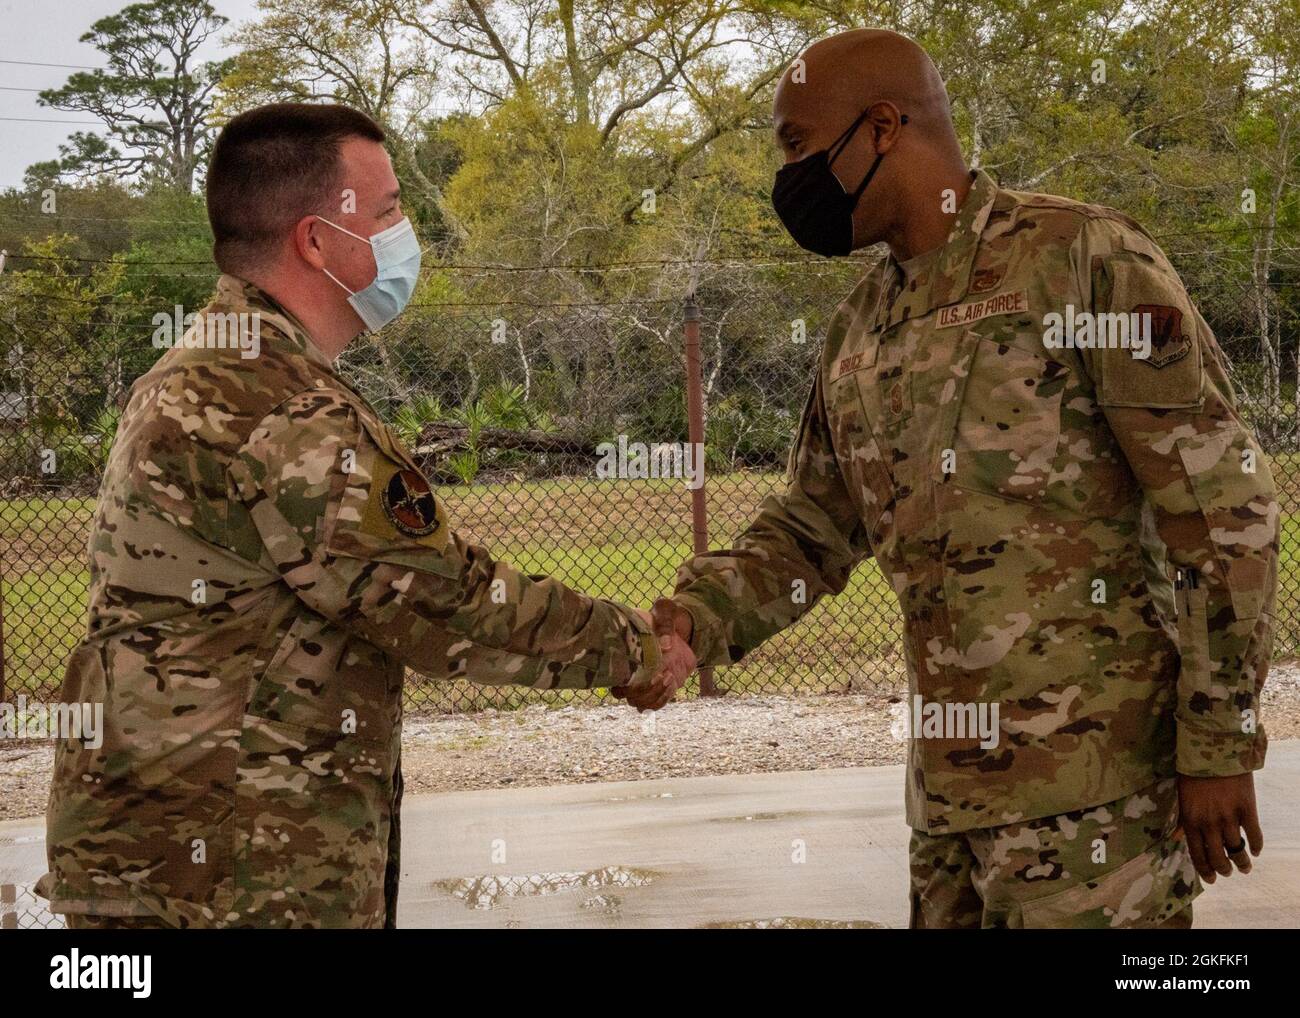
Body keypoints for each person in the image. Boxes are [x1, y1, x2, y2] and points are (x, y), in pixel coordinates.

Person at [625, 28, 1279, 929]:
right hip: (946, 811)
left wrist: (1218, 742)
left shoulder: (1081, 261)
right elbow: (812, 530)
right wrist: (696, 621)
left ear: (883, 128)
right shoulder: (859, 327)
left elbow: (1220, 512)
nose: (786, 180)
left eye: (794, 146)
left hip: (1098, 803)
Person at [37, 102, 695, 929]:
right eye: (387, 212)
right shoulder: (283, 409)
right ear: (316, 240)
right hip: (236, 873)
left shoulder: (196, 370)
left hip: (159, 849)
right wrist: (638, 651)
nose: (406, 234)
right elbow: (443, 600)